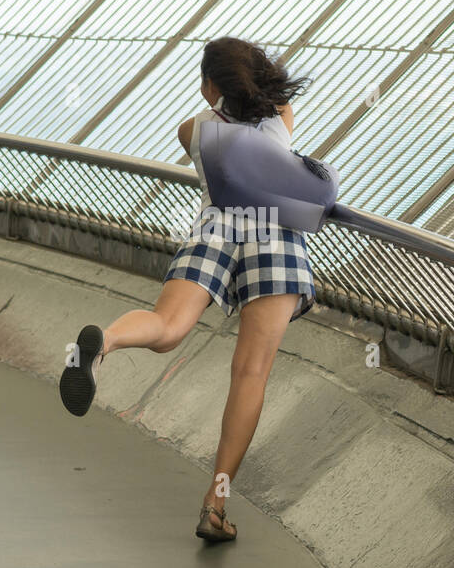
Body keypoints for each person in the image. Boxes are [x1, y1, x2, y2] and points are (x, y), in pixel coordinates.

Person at [59, 38, 315, 542]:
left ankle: (105, 341)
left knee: (167, 326)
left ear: (211, 85)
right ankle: (214, 506)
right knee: (250, 373)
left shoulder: (192, 130)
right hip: (275, 236)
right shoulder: (281, 112)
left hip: (214, 229)